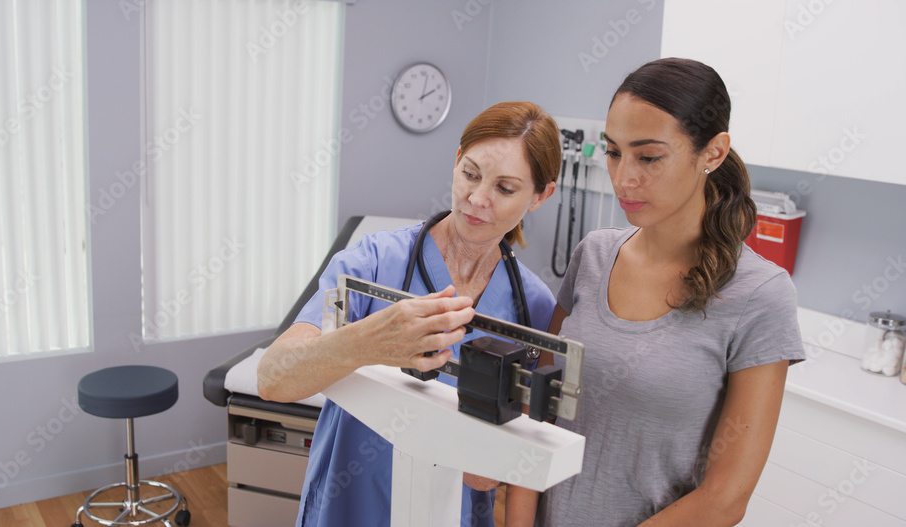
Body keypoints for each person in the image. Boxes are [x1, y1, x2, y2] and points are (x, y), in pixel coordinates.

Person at [506, 58, 806, 526]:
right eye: (613, 152)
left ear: (713, 152)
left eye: (648, 157)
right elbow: (536, 414)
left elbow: (725, 498)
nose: (624, 177)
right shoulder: (593, 256)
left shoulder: (761, 296)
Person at [258, 101, 562, 527]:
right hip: (350, 506)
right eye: (470, 174)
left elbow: (509, 462)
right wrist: (367, 343)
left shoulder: (534, 305)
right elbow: (273, 378)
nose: (477, 199)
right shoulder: (374, 261)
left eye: (505, 188)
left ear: (541, 196)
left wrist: (498, 457)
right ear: (456, 161)